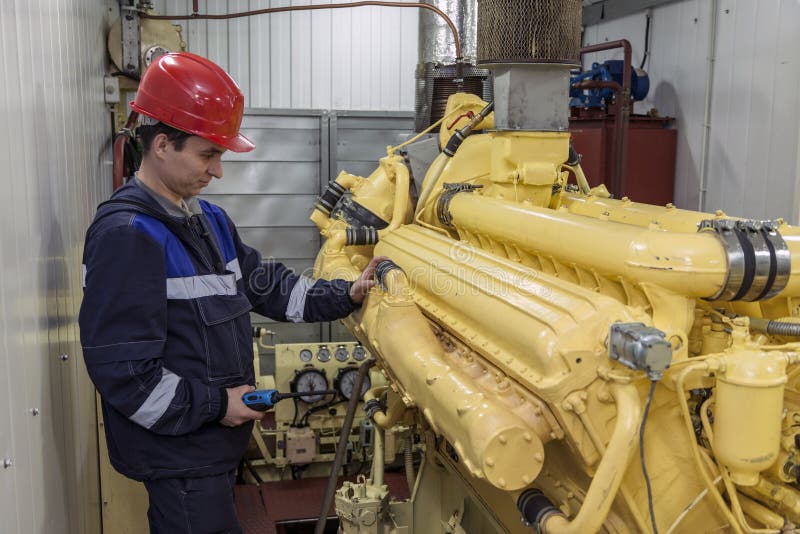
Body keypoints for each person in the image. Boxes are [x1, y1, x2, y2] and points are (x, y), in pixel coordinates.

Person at [78, 52, 381, 533]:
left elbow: (272, 288)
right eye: (208, 154)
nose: (217, 171)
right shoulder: (128, 235)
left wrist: (348, 294)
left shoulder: (206, 221)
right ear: (161, 144)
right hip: (180, 462)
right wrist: (220, 406)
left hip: (211, 451)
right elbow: (127, 376)